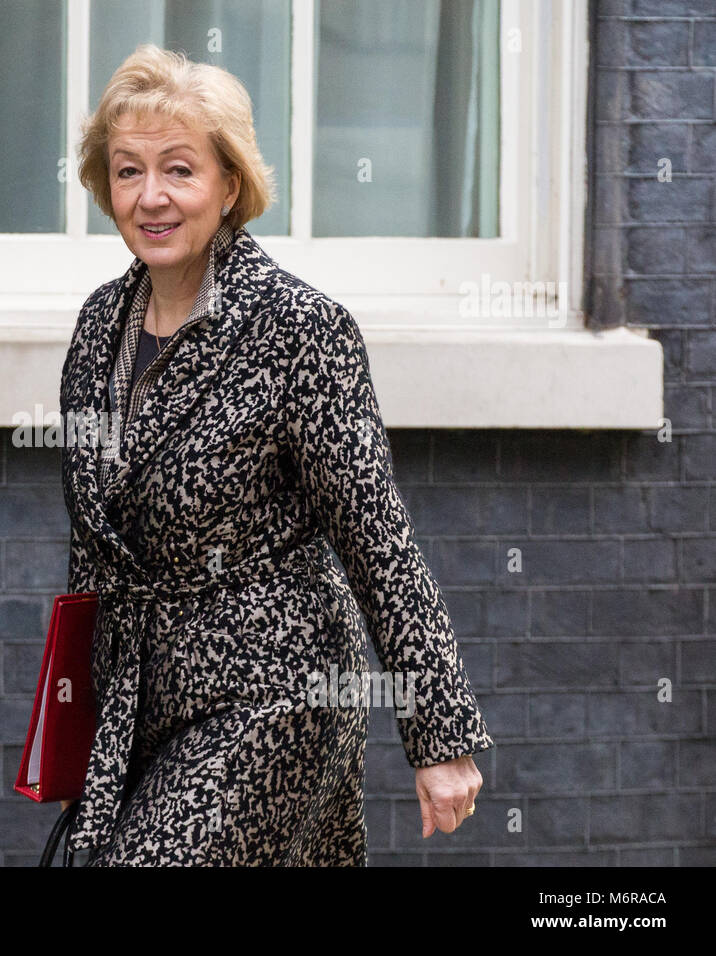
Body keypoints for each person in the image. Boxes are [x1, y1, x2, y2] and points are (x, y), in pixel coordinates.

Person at [56, 43, 494, 866]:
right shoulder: (97, 327)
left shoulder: (300, 329)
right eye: (127, 171)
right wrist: (79, 709)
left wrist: (440, 736)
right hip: (141, 704)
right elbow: (95, 550)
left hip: (276, 694)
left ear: (230, 185)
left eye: (179, 170)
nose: (150, 196)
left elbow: (378, 540)